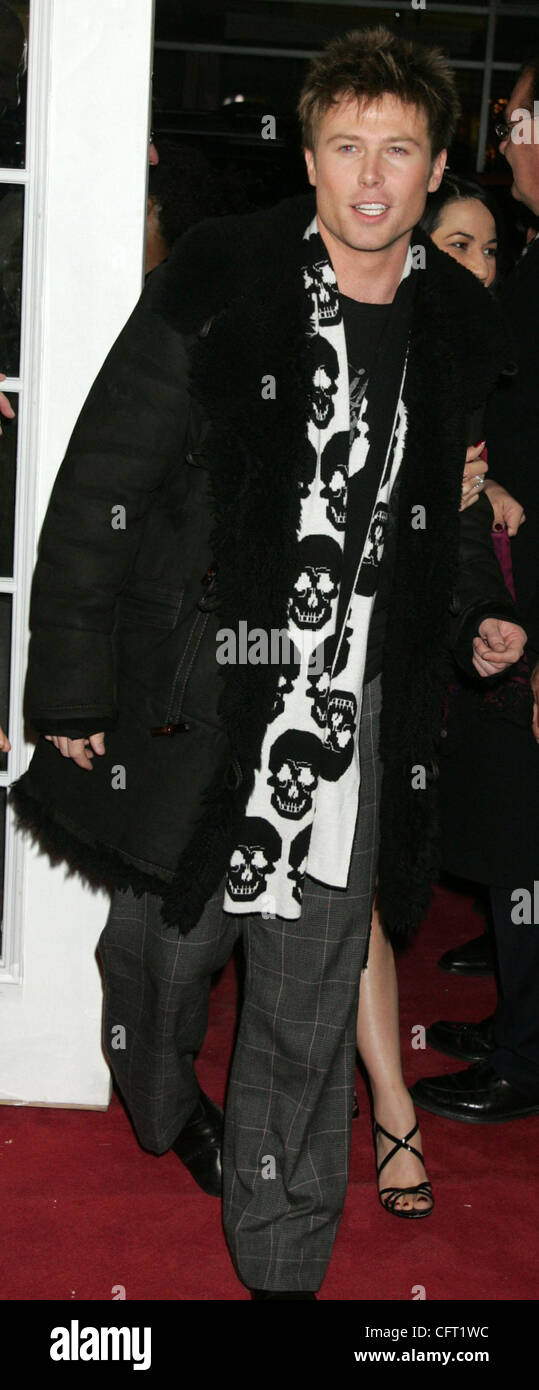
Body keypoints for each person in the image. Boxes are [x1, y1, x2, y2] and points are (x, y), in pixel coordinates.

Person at [11, 27, 527, 1299]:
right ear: (306, 158)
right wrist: (70, 687)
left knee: (301, 1029)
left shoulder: (453, 320)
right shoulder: (221, 274)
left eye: (396, 151)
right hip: (202, 701)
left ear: (431, 165)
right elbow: (100, 484)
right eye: (344, 146)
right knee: (163, 961)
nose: (369, 178)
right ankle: (147, 1064)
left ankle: (280, 1267)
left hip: (348, 728)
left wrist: (467, 613)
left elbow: (443, 510)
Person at [353, 172, 526, 1218]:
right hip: (289, 664)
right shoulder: (349, 332)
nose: (471, 265)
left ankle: (390, 1110)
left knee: (365, 890)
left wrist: (475, 626)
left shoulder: (465, 376)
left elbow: (459, 555)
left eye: (487, 249)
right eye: (452, 243)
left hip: (397, 673)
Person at [411, 55, 539, 1123]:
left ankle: (523, 1048)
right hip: (477, 619)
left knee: (519, 837)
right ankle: (513, 1026)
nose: (512, 136)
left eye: (484, 248)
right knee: (503, 835)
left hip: (509, 620)